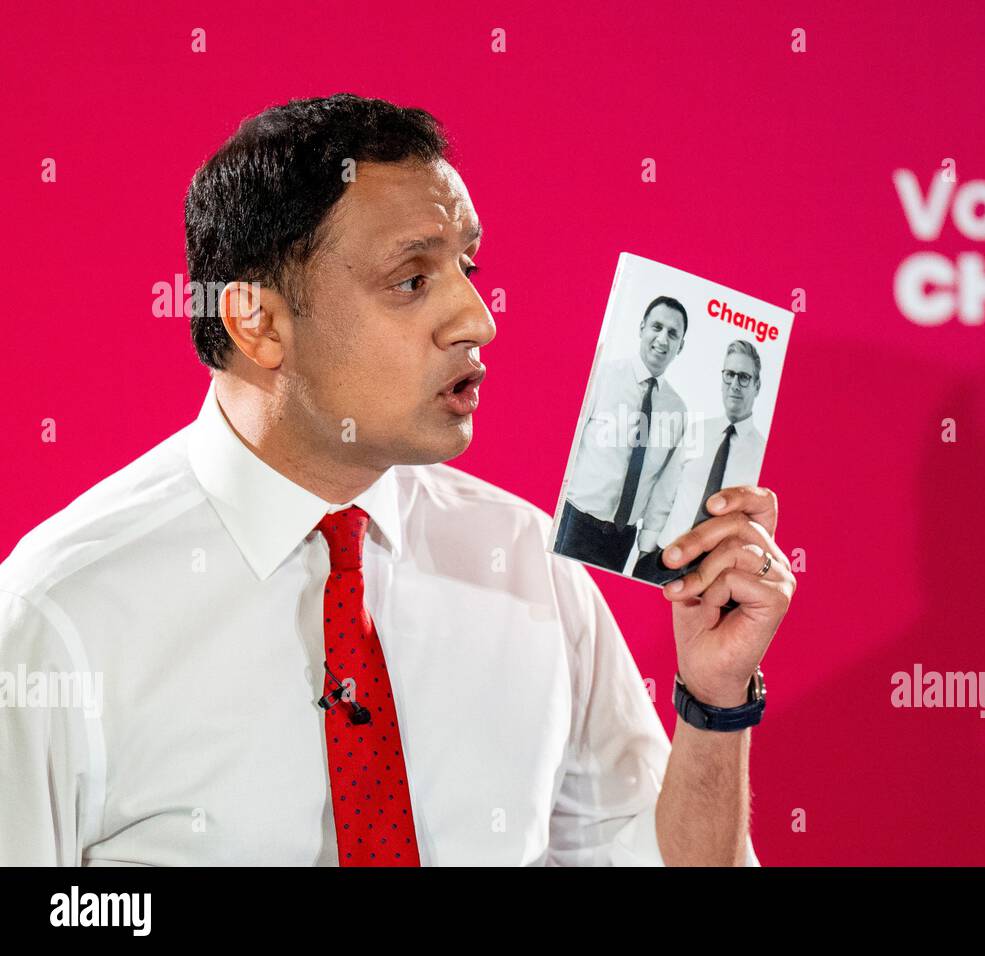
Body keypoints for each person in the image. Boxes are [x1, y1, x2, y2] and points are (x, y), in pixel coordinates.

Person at [0, 93, 796, 867]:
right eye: (412, 280)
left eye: (468, 266)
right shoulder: (57, 617)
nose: (479, 318)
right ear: (259, 322)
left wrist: (715, 700)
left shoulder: (528, 565)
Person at [553, 297, 689, 572]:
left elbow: (664, 484)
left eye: (673, 333)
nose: (662, 339)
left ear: (680, 346)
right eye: (657, 327)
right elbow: (568, 442)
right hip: (574, 520)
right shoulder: (603, 375)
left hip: (621, 539)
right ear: (641, 328)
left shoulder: (678, 410)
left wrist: (647, 545)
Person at [635, 340, 768, 585]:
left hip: (713, 577)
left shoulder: (764, 454)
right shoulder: (698, 431)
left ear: (757, 386)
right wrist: (645, 552)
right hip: (663, 559)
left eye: (744, 377)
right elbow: (665, 495)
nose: (734, 385)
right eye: (729, 375)